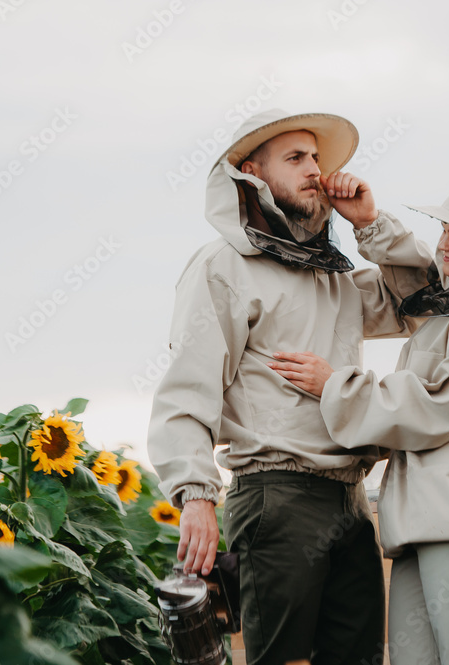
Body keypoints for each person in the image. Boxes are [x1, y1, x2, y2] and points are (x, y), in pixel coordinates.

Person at [147, 109, 432, 665]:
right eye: (295, 158)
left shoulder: (333, 274)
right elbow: (188, 389)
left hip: (351, 499)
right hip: (276, 494)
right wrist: (195, 495)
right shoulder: (222, 267)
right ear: (253, 172)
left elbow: (420, 300)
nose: (315, 170)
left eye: (316, 158)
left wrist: (370, 222)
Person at [270, 174, 449, 665]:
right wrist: (368, 223)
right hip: (421, 523)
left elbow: (439, 405)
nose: (445, 243)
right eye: (445, 229)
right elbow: (420, 290)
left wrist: (336, 384)